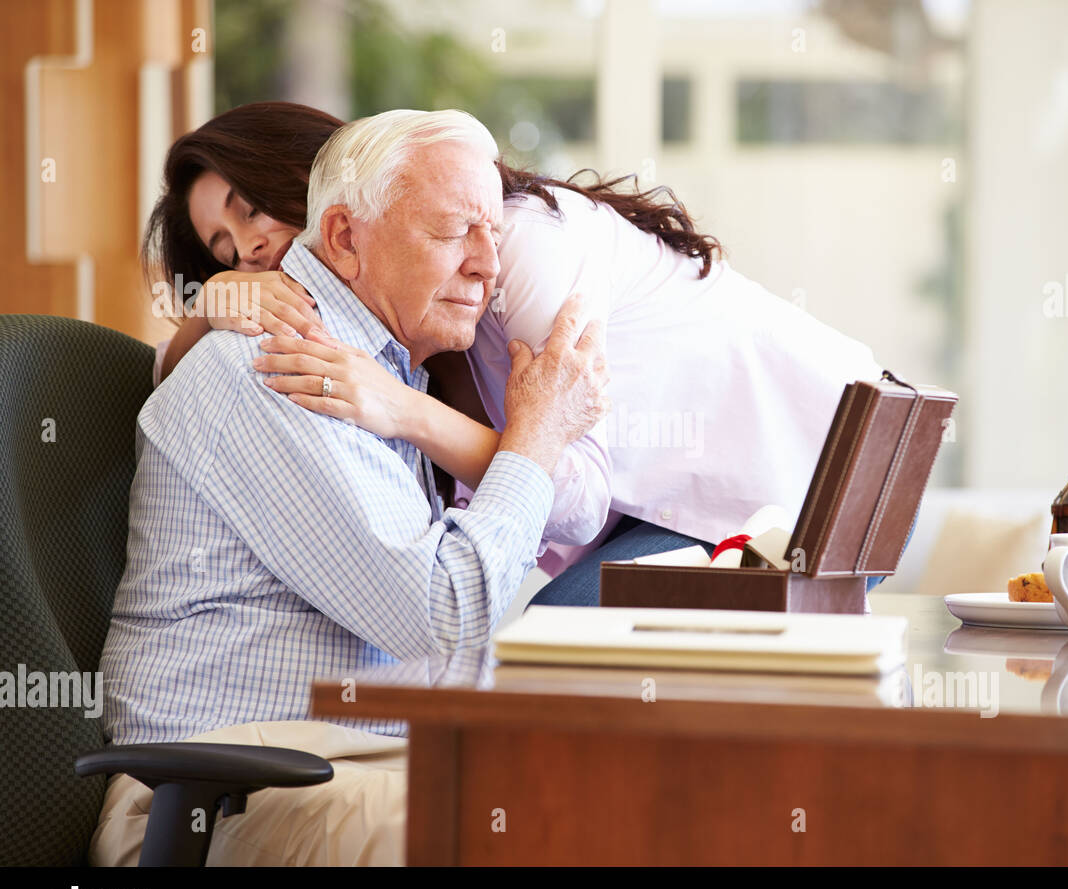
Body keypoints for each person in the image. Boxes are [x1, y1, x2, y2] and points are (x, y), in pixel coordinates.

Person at [92, 113, 610, 864]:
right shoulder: (275, 367)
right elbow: (446, 615)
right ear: (341, 237)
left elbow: (554, 531)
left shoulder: (382, 371)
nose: (487, 267)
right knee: (546, 830)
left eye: (491, 236)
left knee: (633, 790)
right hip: (226, 791)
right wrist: (535, 431)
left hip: (346, 761)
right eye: (452, 231)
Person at [151, 103, 886, 605]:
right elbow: (164, 386)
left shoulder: (509, 247)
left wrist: (400, 410)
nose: (247, 249)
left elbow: (577, 492)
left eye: (250, 210)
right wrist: (209, 304)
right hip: (692, 496)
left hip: (833, 460)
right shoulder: (395, 324)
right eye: (222, 249)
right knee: (550, 665)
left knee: (558, 661)